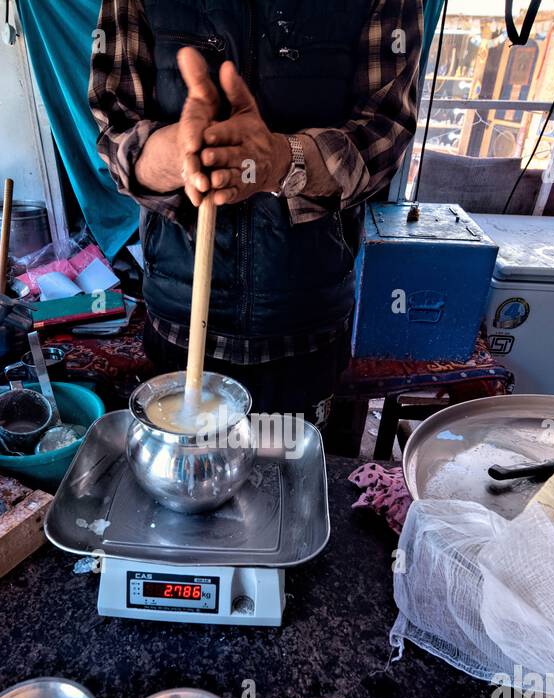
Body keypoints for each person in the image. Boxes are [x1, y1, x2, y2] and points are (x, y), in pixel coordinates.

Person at [90, 0, 422, 424]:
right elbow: (115, 126)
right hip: (179, 314)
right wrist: (185, 153)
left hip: (307, 317)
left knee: (298, 477)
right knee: (186, 478)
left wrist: (280, 160)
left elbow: (385, 129)